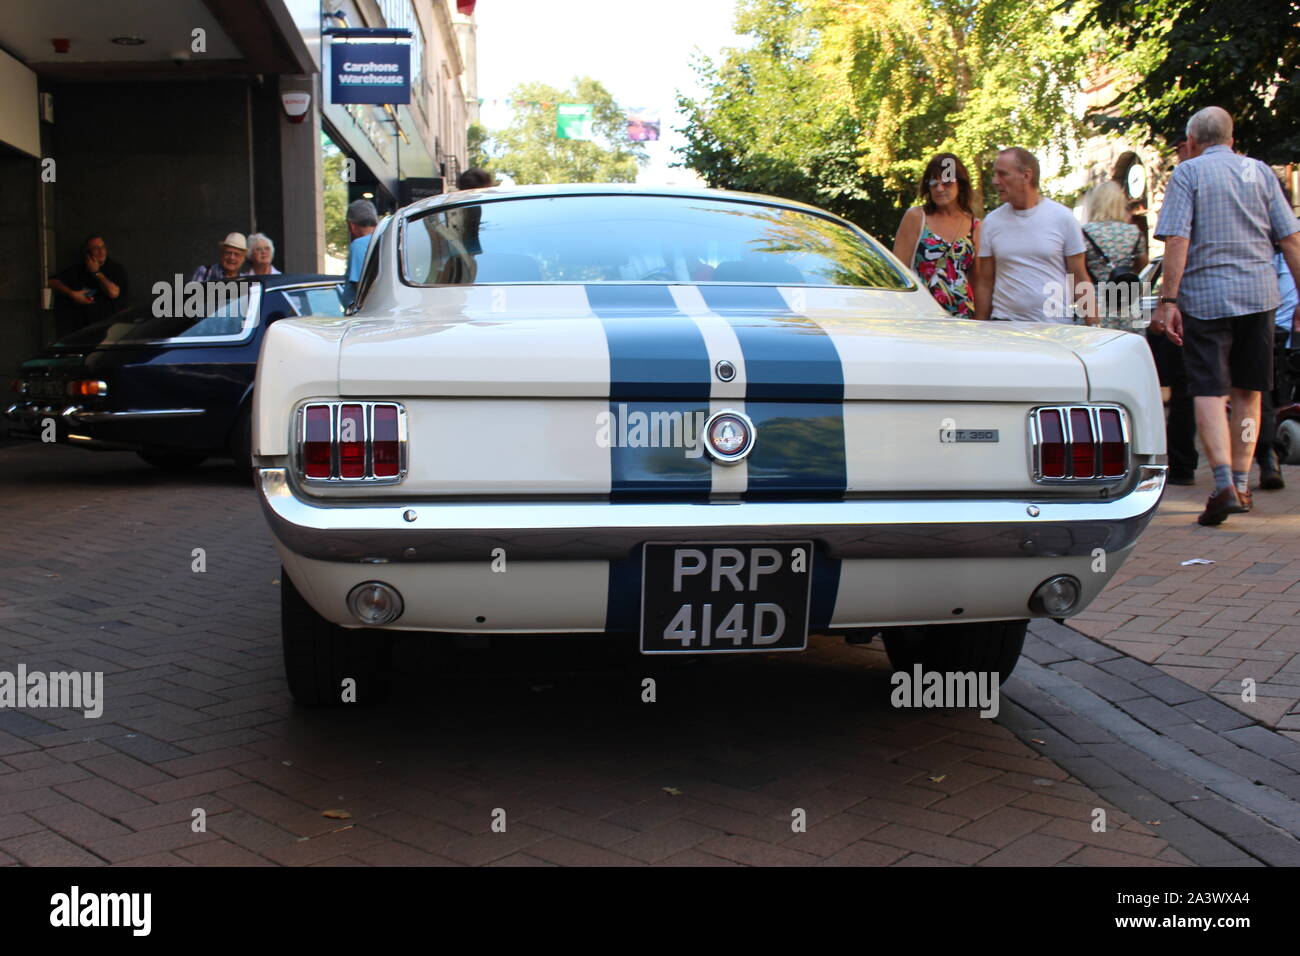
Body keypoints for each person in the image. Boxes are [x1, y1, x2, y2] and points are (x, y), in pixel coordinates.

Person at [1152, 106, 1300, 525]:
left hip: (1206, 298)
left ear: (1193, 141)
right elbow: (1290, 239)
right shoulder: (1261, 173)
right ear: (1232, 139)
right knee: (1249, 393)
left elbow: (1178, 238)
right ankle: (1242, 481)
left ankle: (1222, 484)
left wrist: (1169, 300)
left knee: (1208, 392)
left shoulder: (1189, 173)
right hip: (1259, 295)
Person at [973, 148, 1097, 325]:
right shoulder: (991, 222)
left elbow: (1079, 277)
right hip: (1004, 325)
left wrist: (1093, 324)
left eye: (1003, 174)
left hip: (1055, 326)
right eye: (995, 174)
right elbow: (985, 282)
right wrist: (980, 326)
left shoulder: (1063, 217)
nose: (995, 181)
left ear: (1026, 175)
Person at [892, 153, 981, 318]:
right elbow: (898, 272)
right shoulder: (917, 218)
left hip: (963, 318)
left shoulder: (975, 226)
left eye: (947, 182)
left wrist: (980, 322)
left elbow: (979, 281)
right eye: (933, 183)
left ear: (960, 184)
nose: (940, 188)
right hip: (921, 314)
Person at [1255, 237, 1300, 489]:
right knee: (1253, 396)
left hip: (1259, 322)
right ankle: (1266, 456)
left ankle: (1237, 473)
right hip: (1271, 326)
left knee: (1249, 395)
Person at [1081, 180, 1147, 329]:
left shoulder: (1085, 232)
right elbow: (1143, 266)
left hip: (1096, 303)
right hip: (1128, 301)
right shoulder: (1133, 232)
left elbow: (1078, 270)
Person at [48, 234, 129, 338]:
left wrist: (96, 272)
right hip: (84, 330)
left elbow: (113, 292)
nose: (101, 251)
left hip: (110, 331)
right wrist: (73, 294)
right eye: (96, 248)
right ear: (88, 252)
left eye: (102, 247)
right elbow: (51, 282)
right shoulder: (78, 270)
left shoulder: (115, 269)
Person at [342, 199, 378, 308]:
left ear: (352, 225)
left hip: (361, 315)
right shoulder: (385, 239)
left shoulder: (358, 245)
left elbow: (361, 287)